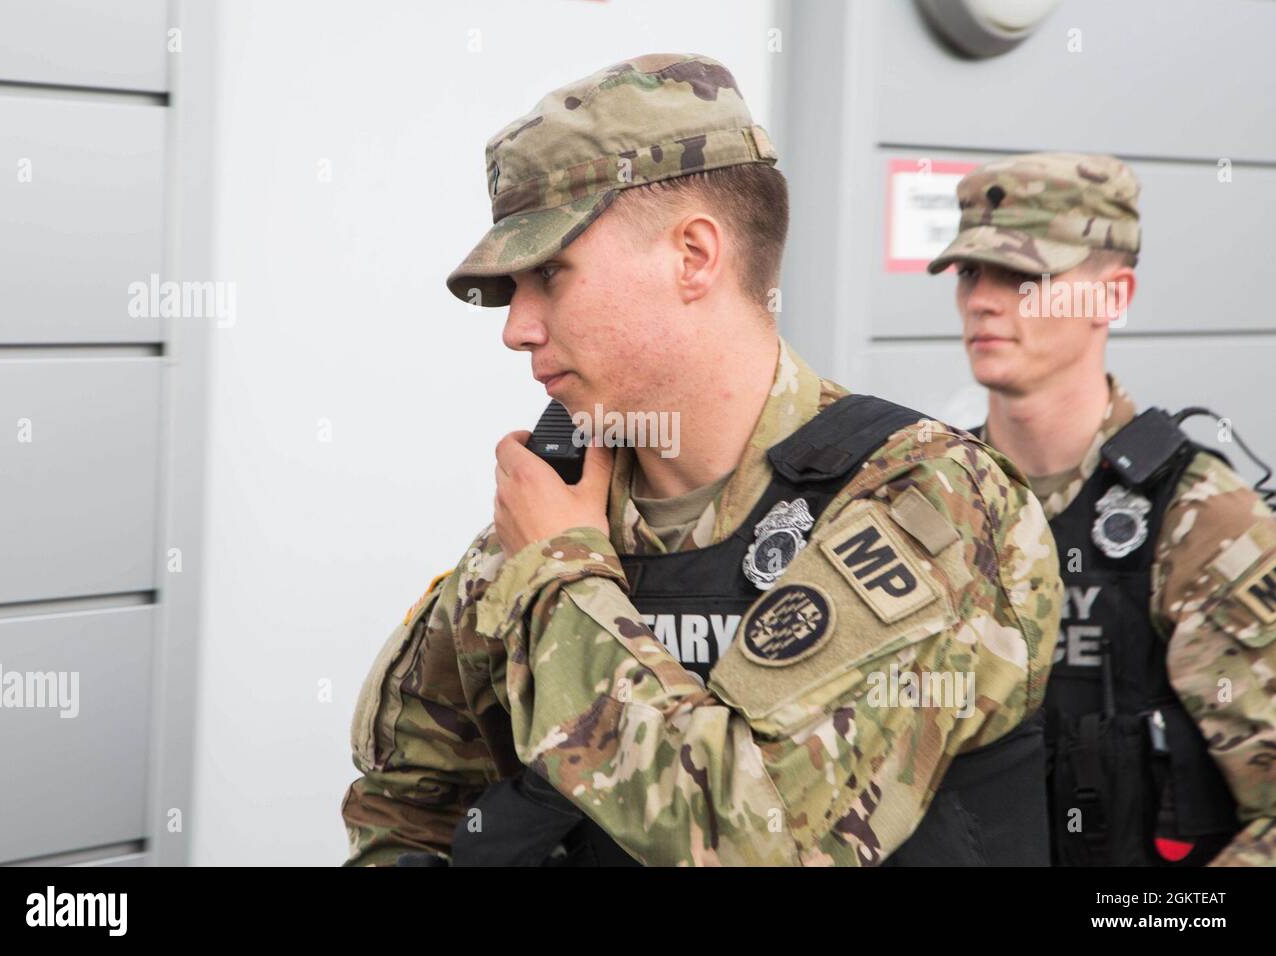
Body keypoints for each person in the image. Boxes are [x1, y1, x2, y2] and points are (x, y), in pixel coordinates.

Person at [340, 53, 1061, 867]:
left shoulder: (928, 502)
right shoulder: (555, 512)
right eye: (512, 290)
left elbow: (759, 835)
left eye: (549, 273)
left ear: (694, 256)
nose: (518, 326)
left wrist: (558, 574)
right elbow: (409, 810)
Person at [929, 151, 1276, 866]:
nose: (984, 301)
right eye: (971, 273)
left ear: (1113, 297)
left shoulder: (1203, 524)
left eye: (1027, 277)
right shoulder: (926, 499)